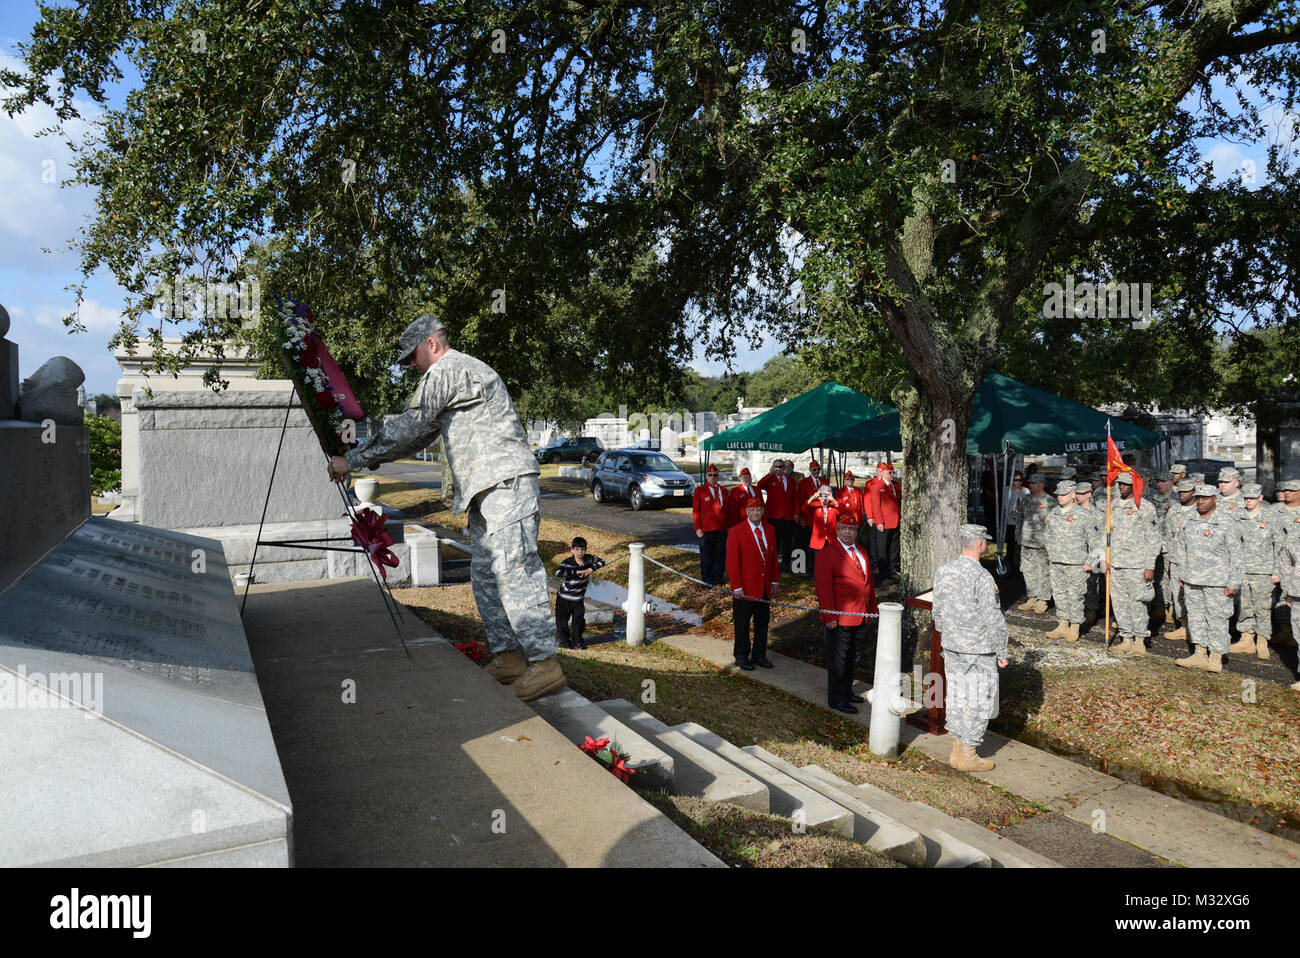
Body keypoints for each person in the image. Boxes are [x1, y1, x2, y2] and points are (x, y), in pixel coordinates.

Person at [327, 313, 564, 701]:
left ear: (432, 344)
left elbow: (409, 426)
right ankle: (510, 657)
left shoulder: (448, 370)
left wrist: (351, 461)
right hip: (487, 488)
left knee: (514, 569)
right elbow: (418, 436)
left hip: (506, 484)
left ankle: (545, 663)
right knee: (487, 574)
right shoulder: (455, 376)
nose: (411, 366)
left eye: (413, 357)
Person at [932, 524, 1009, 772]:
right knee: (978, 700)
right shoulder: (982, 577)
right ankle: (968, 754)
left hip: (953, 646)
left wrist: (948, 634)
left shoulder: (945, 571)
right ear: (980, 545)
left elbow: (938, 610)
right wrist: (1002, 651)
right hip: (978, 650)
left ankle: (956, 747)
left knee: (956, 694)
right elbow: (993, 618)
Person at [1170, 484, 1243, 673]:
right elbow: (1181, 548)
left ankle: (1216, 656)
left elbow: (1236, 554)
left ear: (1215, 499)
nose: (1201, 501)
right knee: (1195, 617)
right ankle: (1199, 653)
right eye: (1198, 498)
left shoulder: (1226, 521)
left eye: (1206, 498)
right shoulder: (1188, 520)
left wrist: (1234, 582)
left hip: (1218, 581)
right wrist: (1182, 573)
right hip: (1192, 579)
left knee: (1217, 618)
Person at [814, 514, 877, 714]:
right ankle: (836, 698)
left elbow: (869, 584)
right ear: (837, 530)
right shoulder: (828, 553)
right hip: (840, 617)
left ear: (857, 532)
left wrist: (872, 610)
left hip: (861, 614)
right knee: (838, 659)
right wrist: (829, 616)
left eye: (851, 529)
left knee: (853, 657)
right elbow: (823, 588)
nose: (847, 532)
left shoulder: (862, 551)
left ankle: (847, 690)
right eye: (843, 528)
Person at [1098, 474, 1161, 655]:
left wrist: (1149, 566)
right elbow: (1105, 535)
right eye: (1120, 484)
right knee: (1119, 602)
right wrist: (1104, 558)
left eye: (1126, 484)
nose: (1122, 487)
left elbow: (1154, 538)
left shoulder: (1145, 507)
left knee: (1138, 603)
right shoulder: (1113, 505)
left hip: (1137, 565)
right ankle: (1126, 638)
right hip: (1117, 563)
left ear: (1134, 485)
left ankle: (1139, 641)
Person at [727, 496, 780, 671]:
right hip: (745, 589)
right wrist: (737, 587)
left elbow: (772, 557)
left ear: (763, 511)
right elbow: (732, 562)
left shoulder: (770, 529)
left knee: (762, 623)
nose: (756, 513)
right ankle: (741, 656)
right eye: (752, 510)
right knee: (742, 624)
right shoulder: (736, 531)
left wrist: (774, 580)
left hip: (764, 587)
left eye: (759, 510)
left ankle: (759, 655)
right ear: (747, 512)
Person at [1042, 480, 1098, 643]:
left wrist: (1090, 561)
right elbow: (1047, 535)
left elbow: (1095, 542)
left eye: (1064, 494)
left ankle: (1074, 627)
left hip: (1077, 564)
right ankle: (1062, 624)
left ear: (1073, 494)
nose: (1060, 497)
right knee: (1059, 594)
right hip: (1057, 562)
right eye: (1058, 494)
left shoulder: (1084, 515)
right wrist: (1051, 552)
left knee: (1075, 596)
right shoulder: (1053, 513)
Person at [1230, 483, 1280, 661]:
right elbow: (1232, 544)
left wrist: (1277, 570)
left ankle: (1262, 640)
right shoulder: (1238, 516)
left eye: (1252, 498)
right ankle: (1246, 638)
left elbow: (1279, 545)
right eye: (1246, 498)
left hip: (1263, 571)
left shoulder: (1270, 516)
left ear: (1260, 498)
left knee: (1263, 607)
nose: (1248, 501)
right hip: (1242, 569)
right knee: (1244, 606)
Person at [1162, 478, 1199, 641]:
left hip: (1196, 562)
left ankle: (1196, 629)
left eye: (1186, 492)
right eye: (1181, 492)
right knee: (1177, 595)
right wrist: (1169, 559)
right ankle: (1184, 627)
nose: (1182, 495)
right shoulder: (1174, 511)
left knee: (1196, 597)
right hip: (1176, 560)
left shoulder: (1200, 511)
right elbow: (1168, 536)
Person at [555, 537, 606, 650]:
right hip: (564, 598)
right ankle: (564, 642)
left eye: (582, 549)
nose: (580, 552)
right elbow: (558, 572)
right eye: (577, 549)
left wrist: (589, 570)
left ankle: (577, 640)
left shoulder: (589, 559)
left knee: (578, 621)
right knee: (562, 621)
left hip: (578, 598)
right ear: (572, 550)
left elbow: (602, 562)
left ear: (585, 550)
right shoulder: (568, 563)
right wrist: (576, 572)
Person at [1014, 473, 1055, 613]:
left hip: (1042, 544)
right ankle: (1032, 597)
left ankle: (1043, 599)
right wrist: (1018, 536)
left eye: (1033, 483)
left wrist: (1049, 542)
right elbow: (1020, 518)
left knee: (1043, 572)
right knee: (1028, 570)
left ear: (1042, 484)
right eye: (1030, 483)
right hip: (1026, 542)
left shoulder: (1051, 502)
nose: (1030, 485)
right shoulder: (1025, 499)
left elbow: (1054, 525)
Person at [692, 463, 730, 586]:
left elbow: (726, 510)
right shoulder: (700, 491)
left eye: (715, 475)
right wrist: (698, 527)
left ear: (718, 476)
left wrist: (728, 526)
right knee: (707, 556)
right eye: (710, 475)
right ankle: (707, 581)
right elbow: (696, 510)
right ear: (706, 476)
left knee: (720, 555)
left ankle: (718, 579)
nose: (713, 477)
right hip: (706, 529)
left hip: (721, 529)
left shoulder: (724, 491)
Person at [757, 459, 797, 572]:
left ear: (784, 468)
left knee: (788, 541)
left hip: (787, 516)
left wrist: (796, 513)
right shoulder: (770, 479)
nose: (778, 468)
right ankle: (772, 564)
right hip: (774, 516)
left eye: (780, 466)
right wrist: (769, 474)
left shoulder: (790, 480)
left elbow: (795, 497)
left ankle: (785, 564)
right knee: (774, 541)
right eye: (776, 467)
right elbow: (760, 485)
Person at [865, 462, 902, 579]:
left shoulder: (895, 485)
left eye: (893, 472)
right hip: (885, 522)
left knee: (894, 545)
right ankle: (883, 570)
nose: (892, 474)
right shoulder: (877, 487)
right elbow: (876, 506)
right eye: (890, 472)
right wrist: (879, 522)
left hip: (896, 520)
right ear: (883, 473)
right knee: (883, 546)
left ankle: (893, 567)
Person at [795, 460, 829, 570]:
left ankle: (817, 565)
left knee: (820, 543)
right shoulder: (804, 483)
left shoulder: (824, 481)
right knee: (807, 542)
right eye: (814, 469)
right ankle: (805, 566)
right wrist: (801, 517)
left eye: (818, 469)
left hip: (821, 518)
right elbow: (800, 501)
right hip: (808, 517)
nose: (816, 471)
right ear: (810, 470)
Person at [806, 486, 840, 571]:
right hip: (818, 539)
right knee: (819, 561)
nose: (824, 497)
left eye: (826, 495)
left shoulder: (833, 506)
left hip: (831, 539)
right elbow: (804, 508)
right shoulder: (815, 505)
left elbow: (842, 512)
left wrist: (833, 500)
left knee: (831, 561)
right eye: (822, 494)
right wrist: (813, 497)